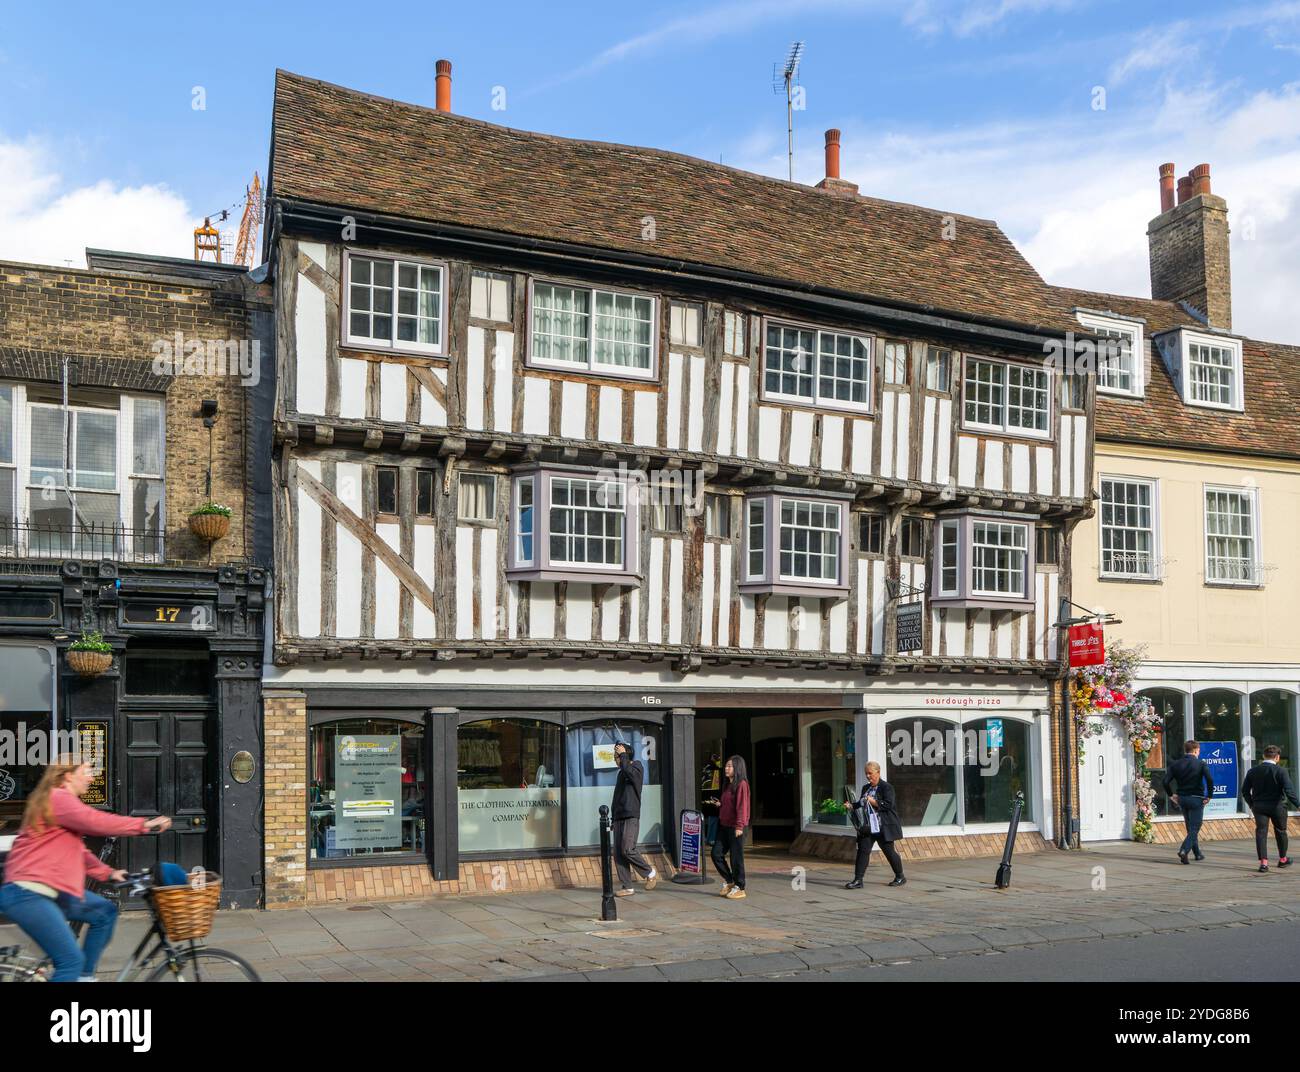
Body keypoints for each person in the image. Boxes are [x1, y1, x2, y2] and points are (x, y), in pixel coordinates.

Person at [0, 758, 170, 982]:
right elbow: (96, 822)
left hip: (49, 890)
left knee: (104, 911)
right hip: (27, 893)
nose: (92, 777)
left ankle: (84, 978)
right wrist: (143, 824)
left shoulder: (61, 803)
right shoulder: (57, 798)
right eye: (87, 772)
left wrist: (108, 873)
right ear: (68, 776)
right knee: (69, 962)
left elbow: (79, 852)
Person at [844, 761, 906, 887]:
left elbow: (888, 805)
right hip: (868, 826)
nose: (868, 776)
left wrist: (874, 802)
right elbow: (861, 803)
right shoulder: (866, 788)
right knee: (863, 851)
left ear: (878, 772)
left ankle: (900, 876)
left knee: (889, 852)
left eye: (870, 773)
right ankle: (858, 880)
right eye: (866, 773)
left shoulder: (887, 787)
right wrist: (851, 806)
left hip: (883, 826)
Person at [1242, 744, 1300, 873]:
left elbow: (1245, 790)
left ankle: (1264, 863)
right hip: (1277, 806)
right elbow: (1289, 791)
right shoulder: (1281, 771)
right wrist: (1298, 805)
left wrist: (1252, 804)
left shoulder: (1253, 771)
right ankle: (1283, 859)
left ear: (1263, 756)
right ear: (1277, 757)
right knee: (1281, 831)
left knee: (1261, 833)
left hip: (1259, 806)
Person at [610, 741, 657, 896]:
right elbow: (617, 797)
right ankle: (627, 886)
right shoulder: (621, 772)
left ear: (625, 755)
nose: (615, 759)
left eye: (616, 756)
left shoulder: (637, 767)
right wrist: (613, 817)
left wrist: (623, 754)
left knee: (627, 849)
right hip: (619, 817)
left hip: (631, 815)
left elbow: (630, 772)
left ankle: (649, 873)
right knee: (618, 853)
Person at [1163, 740, 1214, 864]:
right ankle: (1184, 850)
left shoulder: (1176, 764)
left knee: (1190, 827)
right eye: (1199, 750)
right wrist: (1209, 796)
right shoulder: (1201, 764)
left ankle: (1197, 854)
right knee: (1195, 827)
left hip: (1182, 799)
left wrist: (1171, 795)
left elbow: (1165, 782)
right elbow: (1210, 780)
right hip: (1196, 798)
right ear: (1196, 750)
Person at [712, 755, 750, 900]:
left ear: (737, 768)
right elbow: (731, 804)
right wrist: (720, 805)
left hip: (737, 827)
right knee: (716, 854)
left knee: (736, 858)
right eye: (726, 766)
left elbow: (742, 807)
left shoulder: (742, 784)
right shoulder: (727, 784)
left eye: (730, 766)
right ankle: (730, 881)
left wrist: (740, 826)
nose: (726, 769)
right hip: (725, 825)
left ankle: (740, 887)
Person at [700, 753, 722, 843]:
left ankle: (708, 838)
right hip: (712, 794)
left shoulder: (706, 767)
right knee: (713, 817)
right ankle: (711, 838)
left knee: (711, 818)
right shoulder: (714, 767)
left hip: (708, 794)